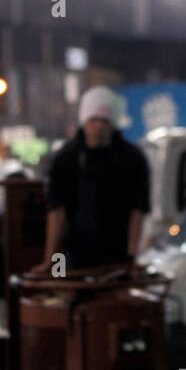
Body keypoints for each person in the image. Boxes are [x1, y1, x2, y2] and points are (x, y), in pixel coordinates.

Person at [32, 86, 149, 273]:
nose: (99, 126)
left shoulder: (132, 158)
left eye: (105, 121)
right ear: (84, 121)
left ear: (114, 124)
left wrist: (131, 256)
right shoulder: (66, 158)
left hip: (117, 252)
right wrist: (51, 261)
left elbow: (138, 209)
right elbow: (57, 211)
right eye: (93, 120)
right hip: (74, 253)